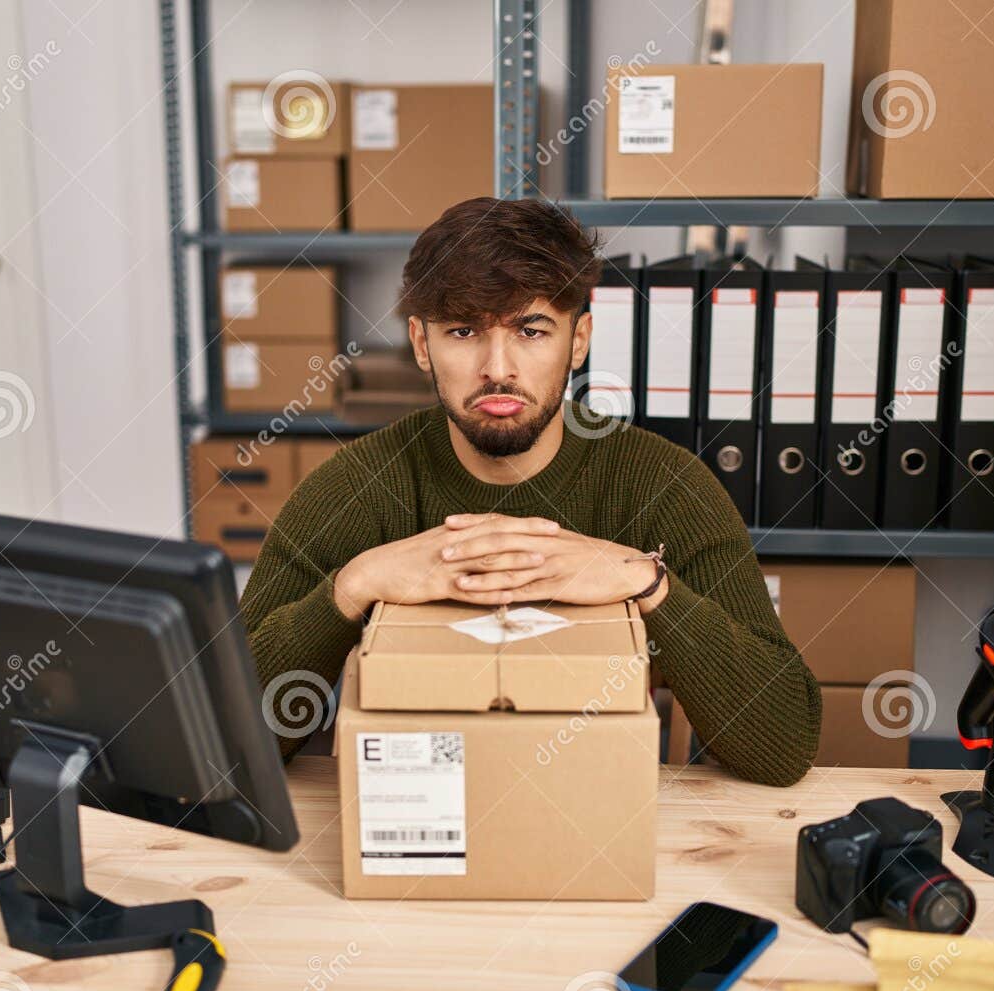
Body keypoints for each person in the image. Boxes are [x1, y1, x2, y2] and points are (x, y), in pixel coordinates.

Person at [238, 197, 820, 786]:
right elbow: (225, 750)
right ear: (420, 343)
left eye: (531, 329)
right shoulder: (359, 486)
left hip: (599, 817)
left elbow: (785, 745)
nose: (498, 368)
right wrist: (353, 585)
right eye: (464, 331)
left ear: (579, 339)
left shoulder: (665, 486)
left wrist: (647, 583)